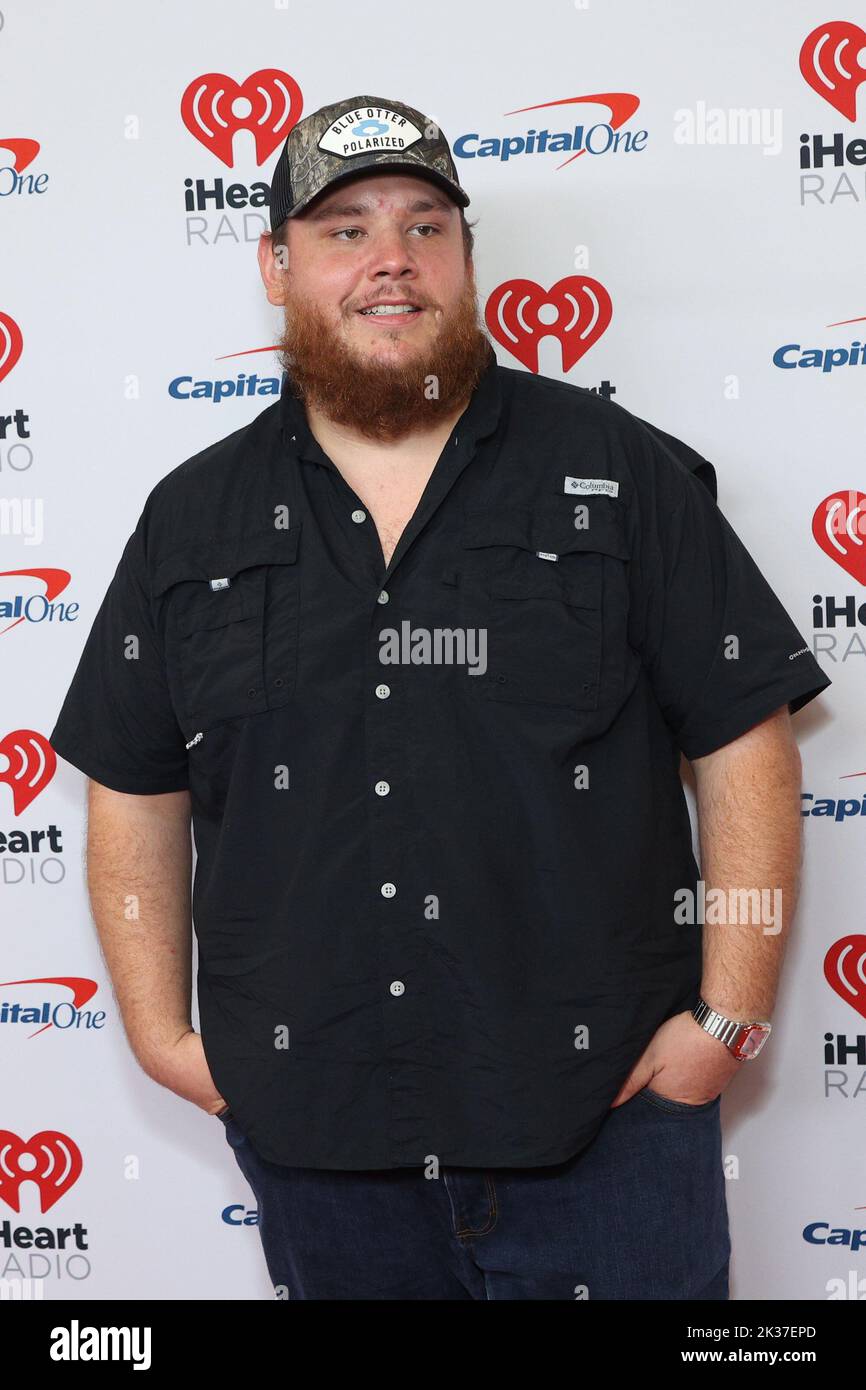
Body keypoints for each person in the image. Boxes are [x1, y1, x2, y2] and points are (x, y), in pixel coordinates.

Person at [49, 94, 832, 1300]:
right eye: (344, 230)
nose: (390, 262)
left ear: (465, 260)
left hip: (610, 1130)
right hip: (318, 1141)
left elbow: (743, 744)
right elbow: (135, 788)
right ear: (277, 264)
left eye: (424, 226)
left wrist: (722, 1022)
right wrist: (163, 1040)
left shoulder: (622, 473)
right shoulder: (191, 518)